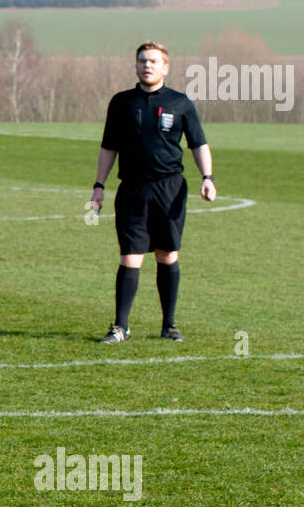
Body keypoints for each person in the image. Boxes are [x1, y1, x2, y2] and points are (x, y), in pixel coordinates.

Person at [90, 41, 215, 343]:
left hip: (169, 189)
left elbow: (198, 143)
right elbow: (109, 147)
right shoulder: (121, 102)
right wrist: (99, 186)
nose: (147, 65)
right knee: (130, 256)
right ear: (135, 65)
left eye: (154, 61)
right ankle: (120, 327)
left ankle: (169, 324)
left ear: (165, 67)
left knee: (167, 255)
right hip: (132, 189)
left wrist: (207, 177)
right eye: (142, 60)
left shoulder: (181, 103)